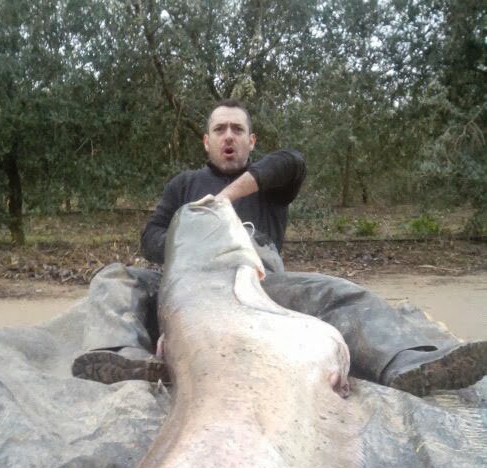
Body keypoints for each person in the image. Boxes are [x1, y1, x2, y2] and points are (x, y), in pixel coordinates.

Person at [72, 100, 486, 396]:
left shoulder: (271, 180)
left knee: (335, 290)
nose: (228, 136)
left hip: (260, 286)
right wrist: (194, 242)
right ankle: (121, 357)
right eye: (220, 129)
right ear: (206, 141)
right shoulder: (184, 185)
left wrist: (224, 202)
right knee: (115, 276)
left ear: (252, 141)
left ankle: (407, 363)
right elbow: (151, 236)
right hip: (189, 289)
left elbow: (293, 160)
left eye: (237, 130)